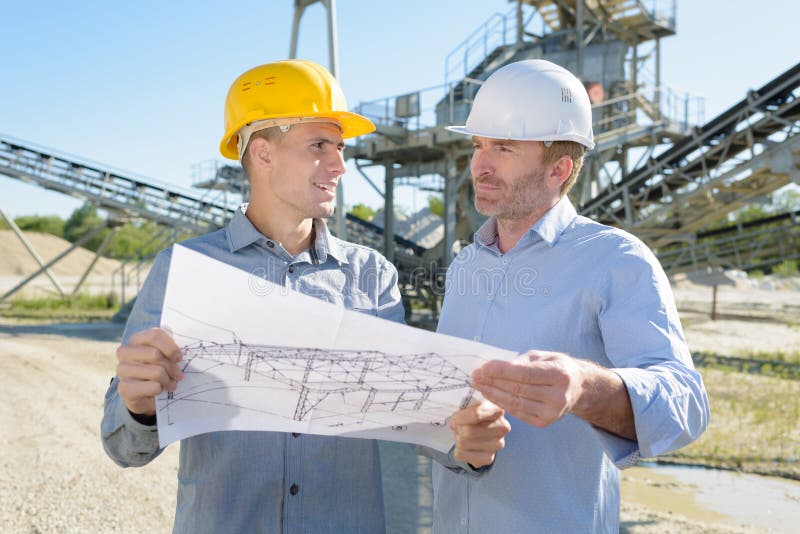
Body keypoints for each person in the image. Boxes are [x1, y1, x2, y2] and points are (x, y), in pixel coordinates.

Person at [101, 59, 508, 533]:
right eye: (319, 145)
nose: (339, 164)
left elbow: (416, 417)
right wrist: (139, 407)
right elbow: (123, 446)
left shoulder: (370, 277)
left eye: (339, 146)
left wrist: (465, 439)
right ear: (262, 153)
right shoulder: (186, 271)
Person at [432, 59, 710, 532]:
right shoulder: (465, 266)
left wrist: (585, 386)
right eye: (478, 145)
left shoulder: (616, 260)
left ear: (559, 168)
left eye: (503, 147)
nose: (479, 164)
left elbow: (687, 405)